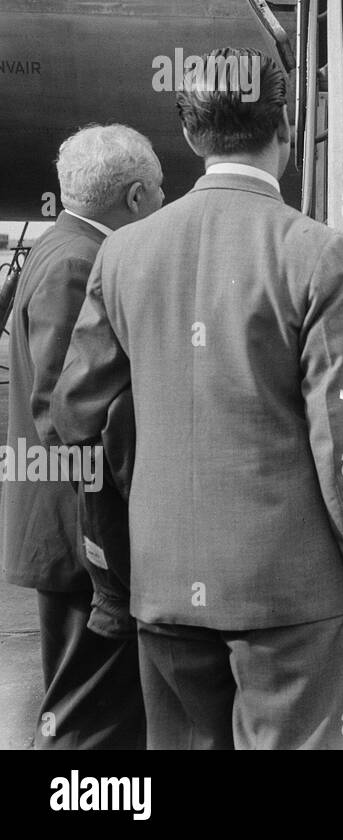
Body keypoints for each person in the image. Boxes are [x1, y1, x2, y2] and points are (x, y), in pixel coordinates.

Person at [51, 49, 343, 750]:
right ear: (288, 131)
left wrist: (120, 561)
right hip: (290, 594)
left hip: (165, 584)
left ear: (188, 137)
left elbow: (75, 420)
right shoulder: (320, 253)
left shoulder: (122, 253)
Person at [2, 124, 162, 749]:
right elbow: (66, 416)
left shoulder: (58, 243)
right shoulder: (80, 263)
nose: (164, 202)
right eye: (159, 190)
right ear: (133, 199)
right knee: (88, 716)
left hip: (65, 528)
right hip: (80, 537)